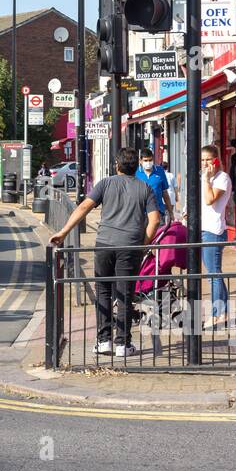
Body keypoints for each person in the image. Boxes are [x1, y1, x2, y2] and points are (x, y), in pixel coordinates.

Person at [49, 147, 160, 357]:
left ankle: (103, 341)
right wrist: (143, 245)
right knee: (126, 294)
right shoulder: (145, 188)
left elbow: (83, 208)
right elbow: (154, 220)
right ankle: (122, 344)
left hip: (104, 245)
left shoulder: (106, 184)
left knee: (103, 291)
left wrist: (63, 232)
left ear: (116, 166)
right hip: (130, 246)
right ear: (136, 166)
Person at [201, 145, 232, 325]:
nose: (205, 163)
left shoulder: (222, 178)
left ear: (216, 160)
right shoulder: (204, 177)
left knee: (214, 274)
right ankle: (224, 311)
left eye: (208, 159)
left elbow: (209, 199)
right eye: (202, 159)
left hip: (214, 231)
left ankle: (215, 314)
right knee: (214, 273)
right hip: (204, 229)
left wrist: (206, 179)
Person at [136, 148, 174, 221]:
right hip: (141, 214)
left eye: (150, 160)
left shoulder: (159, 171)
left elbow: (165, 193)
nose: (148, 162)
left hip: (158, 212)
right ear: (140, 161)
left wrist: (170, 212)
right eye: (145, 160)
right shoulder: (136, 172)